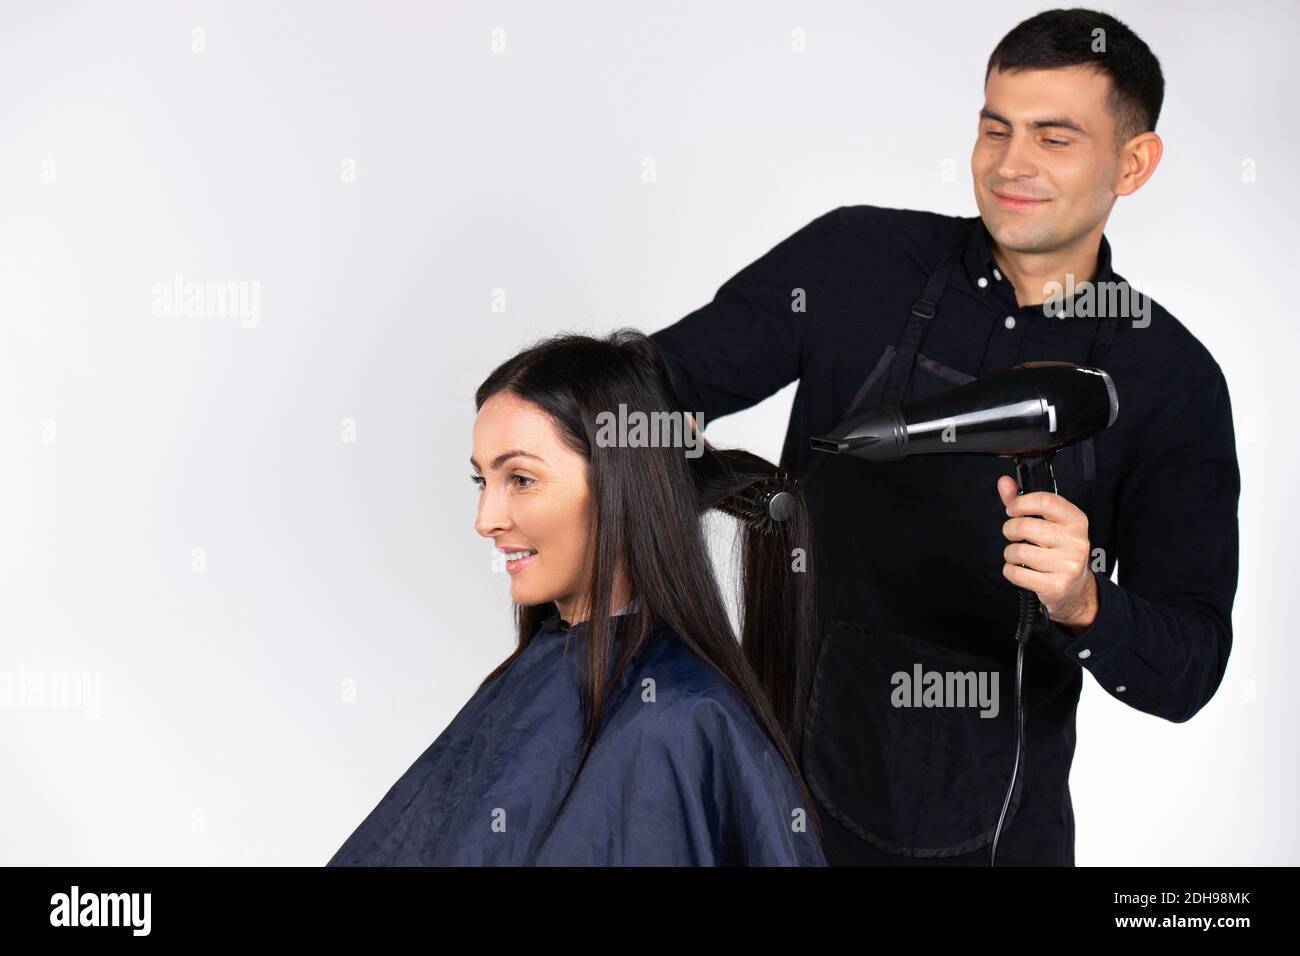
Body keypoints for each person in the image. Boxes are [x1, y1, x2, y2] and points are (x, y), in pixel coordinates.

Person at [650, 8, 1240, 865]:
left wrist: (1086, 604)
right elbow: (652, 394)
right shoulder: (854, 261)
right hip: (778, 800)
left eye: (1055, 137)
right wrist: (560, 419)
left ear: (1134, 162)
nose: (1010, 164)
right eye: (995, 127)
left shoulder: (1169, 380)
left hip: (995, 836)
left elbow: (1189, 669)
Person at [326, 330, 827, 866]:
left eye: (519, 479)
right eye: (482, 482)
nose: (485, 521)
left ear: (620, 483)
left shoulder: (674, 723)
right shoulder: (539, 677)